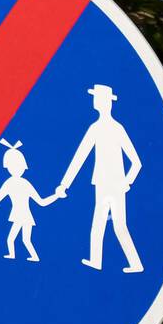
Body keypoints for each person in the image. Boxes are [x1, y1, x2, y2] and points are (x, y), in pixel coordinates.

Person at [55, 84, 144, 273]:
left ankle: (135, 263)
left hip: (115, 184)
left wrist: (126, 182)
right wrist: (64, 184)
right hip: (101, 183)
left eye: (97, 98)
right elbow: (79, 157)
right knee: (99, 223)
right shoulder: (95, 128)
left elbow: (136, 162)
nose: (94, 101)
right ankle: (96, 260)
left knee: (119, 225)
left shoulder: (115, 129)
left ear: (105, 103)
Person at [0, 139, 57, 260]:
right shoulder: (16, 183)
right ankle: (23, 256)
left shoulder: (19, 183)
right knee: (23, 239)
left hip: (21, 215)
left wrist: (56, 196)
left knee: (16, 239)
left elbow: (41, 202)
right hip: (23, 215)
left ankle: (21, 256)